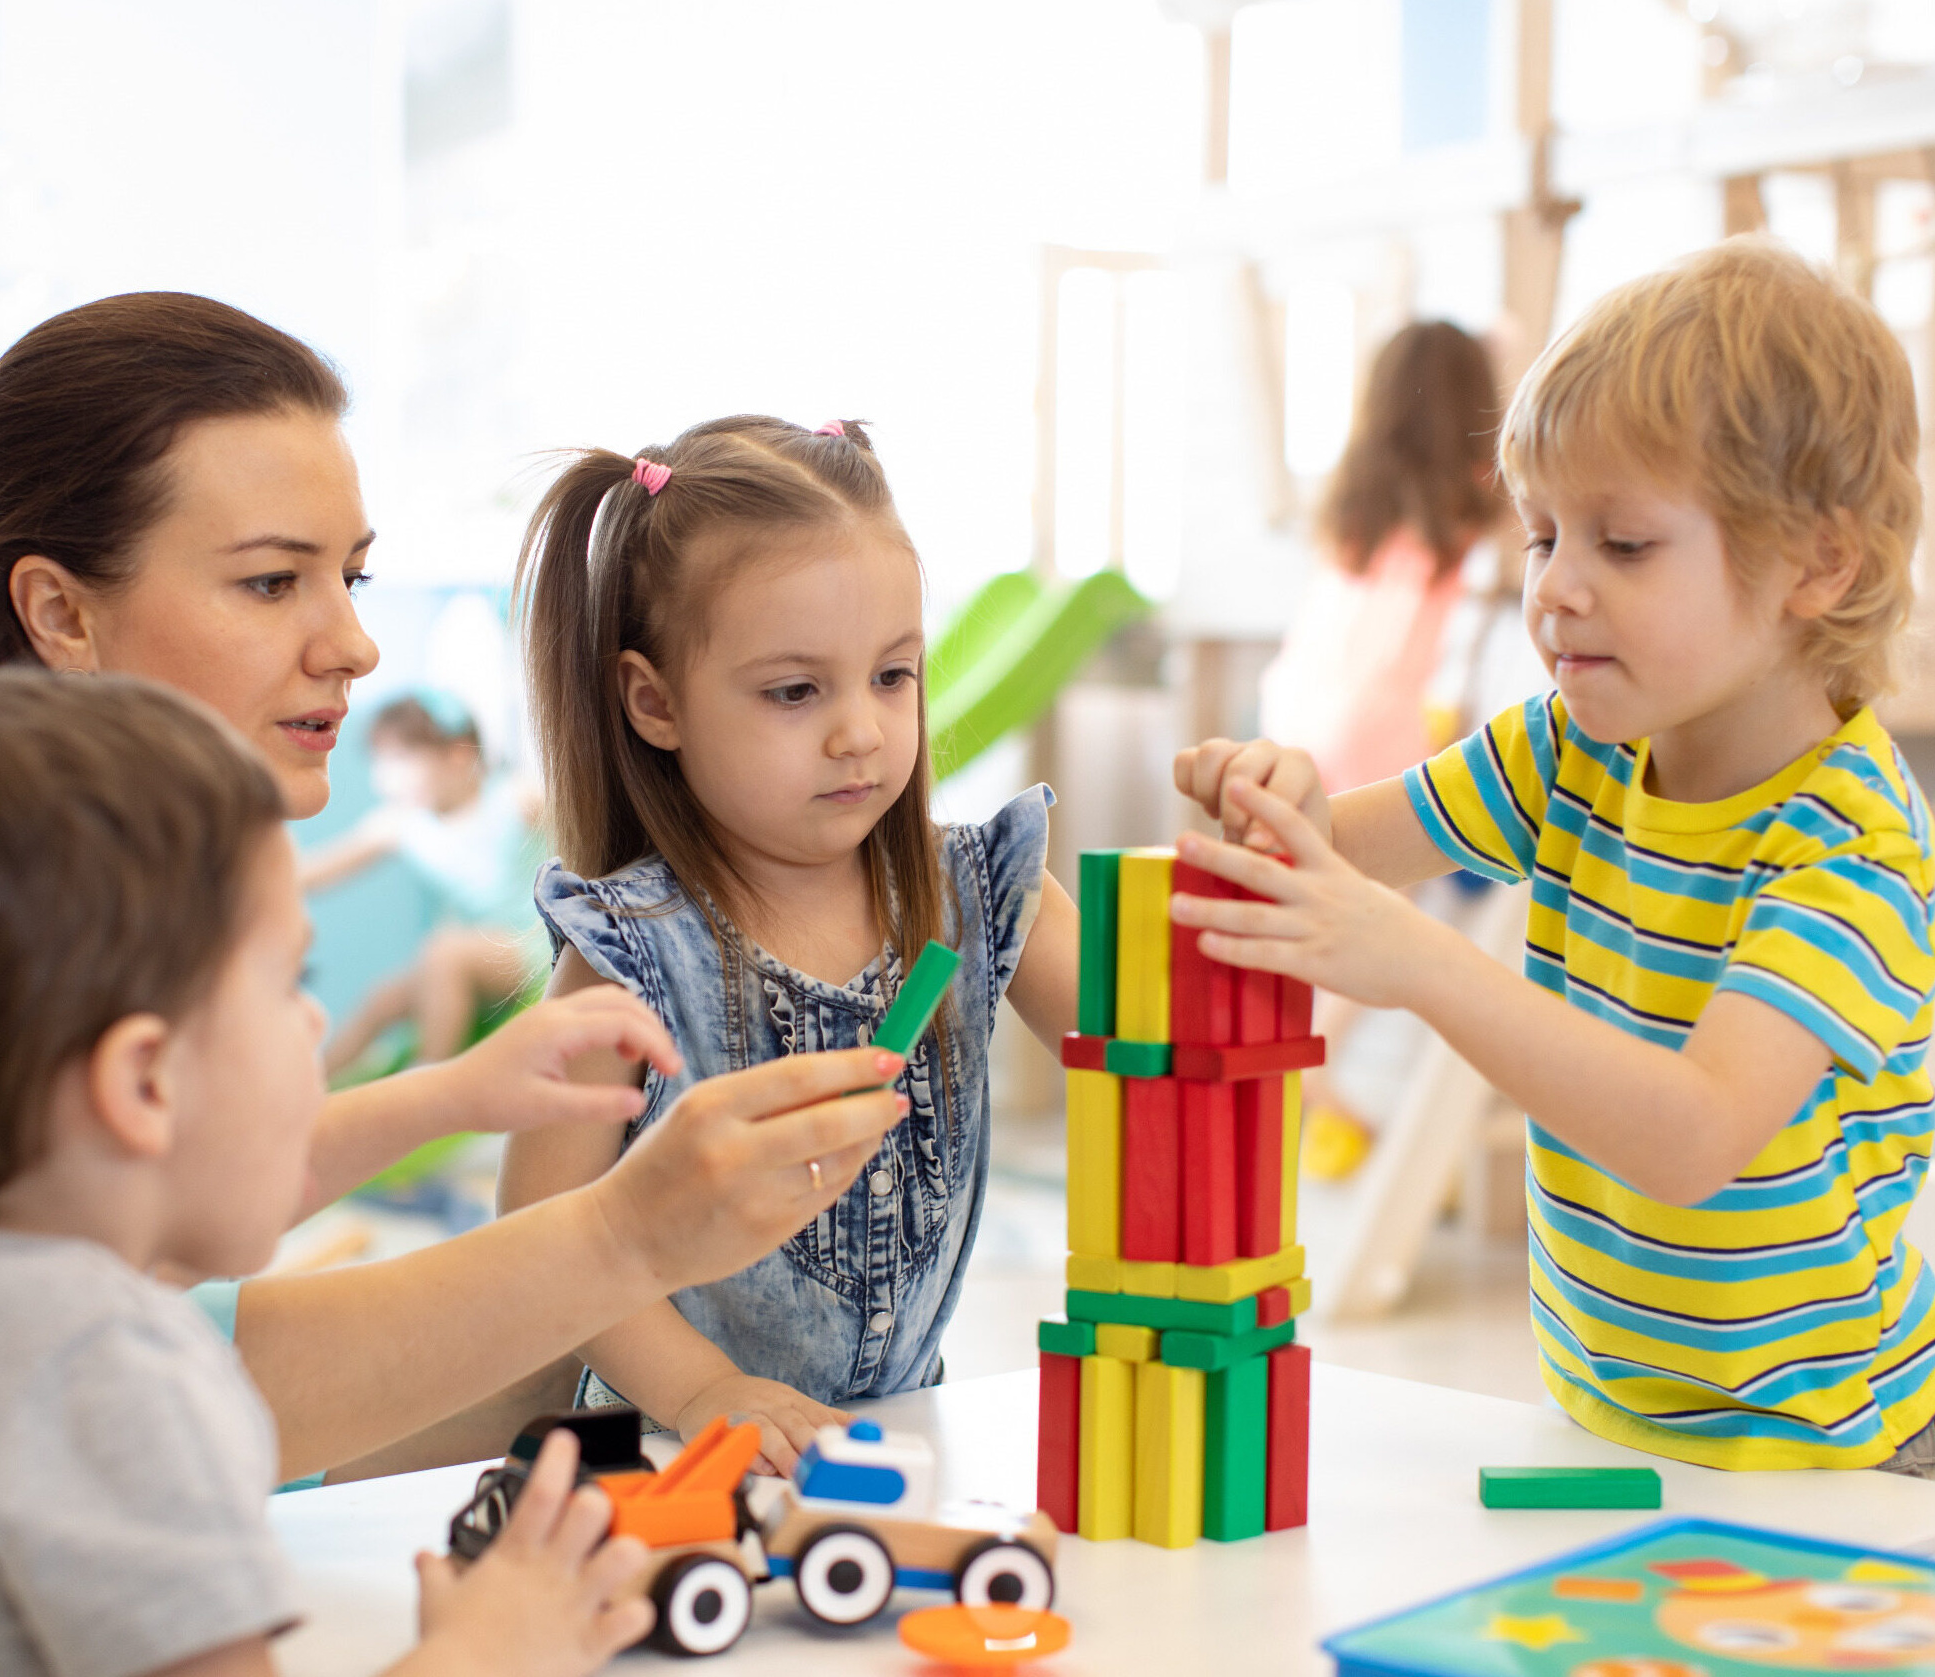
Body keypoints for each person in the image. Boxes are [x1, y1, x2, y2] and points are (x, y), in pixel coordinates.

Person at [0, 295, 904, 1675]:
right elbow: (162, 1366)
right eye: (274, 583)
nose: (353, 646)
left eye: (354, 579)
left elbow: (143, 1196)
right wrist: (625, 1240)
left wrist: (446, 1103)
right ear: (60, 612)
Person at [0, 671, 728, 1676]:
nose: (316, 1020)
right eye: (290, 983)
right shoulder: (110, 1387)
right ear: (144, 1082)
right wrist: (491, 1647)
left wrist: (454, 1094)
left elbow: (202, 1187)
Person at [1173, 238, 1935, 1470]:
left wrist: (1419, 965)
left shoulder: (1852, 853)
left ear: (1816, 561)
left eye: (1621, 545)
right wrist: (1289, 804)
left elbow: (1692, 1137)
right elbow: (1342, 851)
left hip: (1836, 1452)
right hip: (1610, 1416)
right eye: (1540, 537)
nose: (1556, 588)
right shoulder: (1563, 747)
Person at [500, 417, 1082, 1475]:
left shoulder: (982, 890)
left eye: (893, 675)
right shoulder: (625, 952)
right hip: (664, 1456)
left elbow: (1151, 1042)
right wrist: (702, 1389)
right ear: (655, 703)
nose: (860, 731)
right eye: (795, 691)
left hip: (894, 1449)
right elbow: (539, 1240)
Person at [1256, 321, 1508, 1179]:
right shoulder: (1467, 511)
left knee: (1317, 899)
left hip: (1300, 707)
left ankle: (1303, 1057)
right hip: (1384, 723)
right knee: (1382, 900)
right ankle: (1316, 1066)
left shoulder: (1355, 507)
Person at [301, 692, 547, 1076]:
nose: (385, 778)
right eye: (379, 761)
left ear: (457, 754)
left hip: (534, 948)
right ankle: (312, 1083)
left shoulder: (515, 800)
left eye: (400, 759)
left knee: (444, 950)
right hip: (475, 952)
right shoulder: (404, 823)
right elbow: (317, 872)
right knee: (384, 999)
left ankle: (430, 1073)